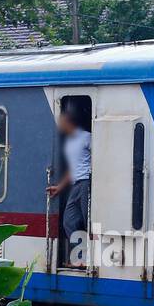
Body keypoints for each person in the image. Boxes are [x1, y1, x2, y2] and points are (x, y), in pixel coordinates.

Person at [47, 103, 92, 269]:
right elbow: (72, 170)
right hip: (76, 185)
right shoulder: (68, 144)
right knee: (69, 221)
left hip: (87, 183)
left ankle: (90, 260)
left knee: (89, 223)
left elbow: (100, 155)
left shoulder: (87, 137)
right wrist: (59, 187)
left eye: (61, 121)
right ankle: (80, 259)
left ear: (68, 121)